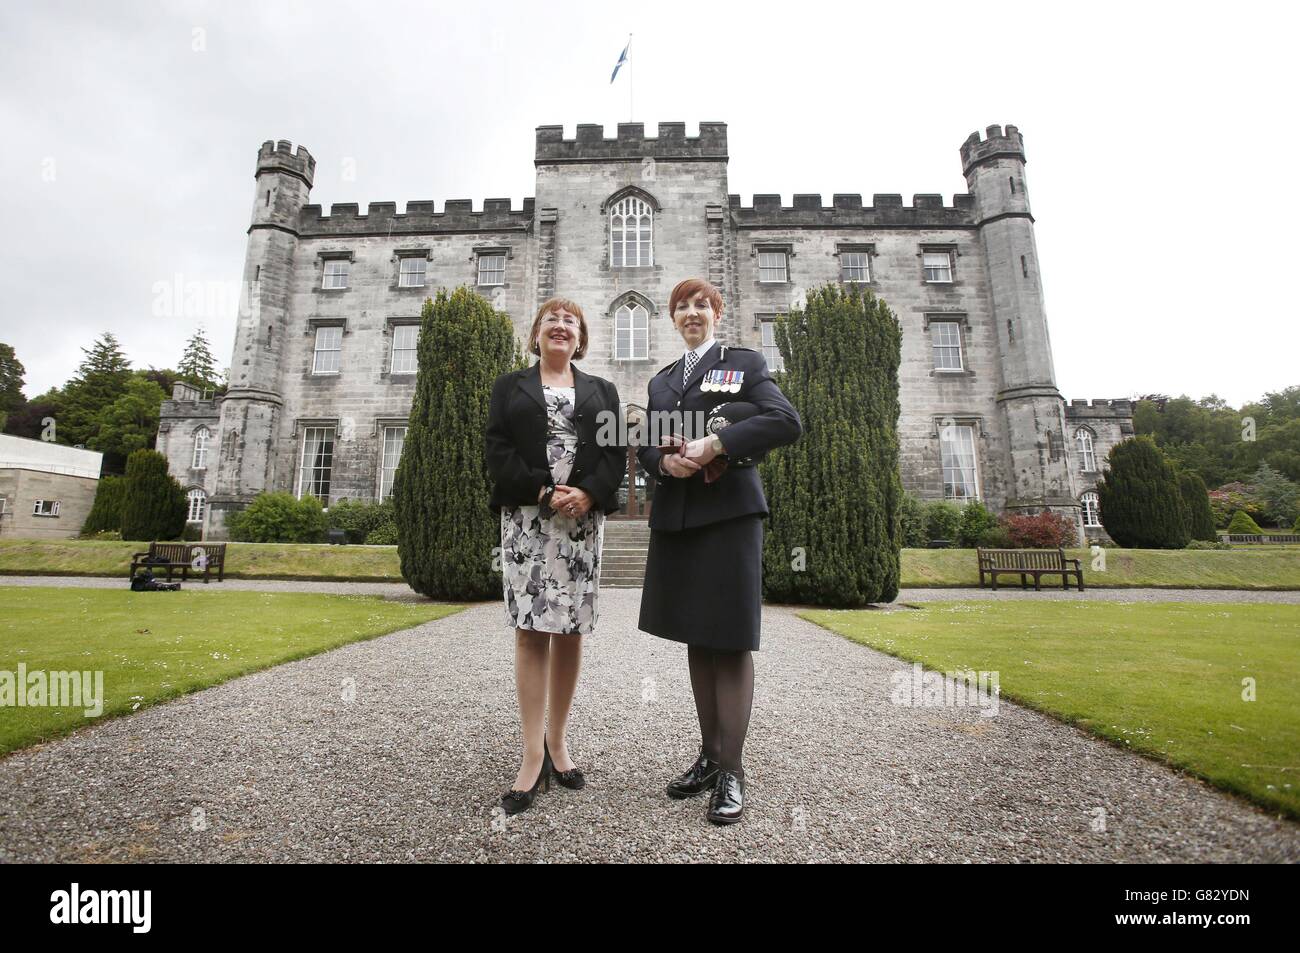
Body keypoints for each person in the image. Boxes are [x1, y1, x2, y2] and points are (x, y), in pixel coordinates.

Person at [636, 277, 802, 825]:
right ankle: (709, 757)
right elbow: (645, 443)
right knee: (697, 637)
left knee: (728, 640)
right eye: (682, 307)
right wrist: (662, 461)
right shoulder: (662, 382)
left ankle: (733, 769)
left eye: (700, 305)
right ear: (673, 317)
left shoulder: (745, 363)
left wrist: (718, 442)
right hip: (680, 519)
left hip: (729, 515)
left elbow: (784, 421)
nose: (691, 313)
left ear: (716, 311)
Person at [484, 297, 625, 816]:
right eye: (551, 320)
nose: (561, 326)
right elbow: (497, 451)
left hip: (581, 525)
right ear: (536, 334)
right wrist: (543, 492)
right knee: (530, 630)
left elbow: (614, 453)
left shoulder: (602, 391)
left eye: (570, 321)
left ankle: (558, 744)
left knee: (569, 631)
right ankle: (529, 754)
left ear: (580, 336)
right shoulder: (509, 387)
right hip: (526, 519)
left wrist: (588, 493)